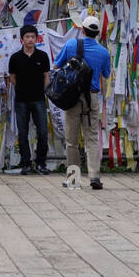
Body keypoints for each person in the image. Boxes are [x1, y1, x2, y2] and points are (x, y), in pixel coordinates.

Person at [54, 13, 111, 189]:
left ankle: (73, 179)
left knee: (71, 140)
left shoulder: (71, 45)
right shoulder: (103, 52)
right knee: (92, 138)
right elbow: (106, 74)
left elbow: (57, 65)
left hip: (72, 97)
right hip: (92, 97)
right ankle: (94, 176)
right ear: (97, 33)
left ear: (83, 30)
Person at [6, 24, 51, 174]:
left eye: (33, 37)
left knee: (43, 132)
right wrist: (21, 88)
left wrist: (43, 90)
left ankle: (41, 163)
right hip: (21, 100)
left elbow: (46, 76)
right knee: (22, 132)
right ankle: (26, 163)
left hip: (38, 99)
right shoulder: (15, 58)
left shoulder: (43, 56)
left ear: (37, 39)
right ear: (22, 39)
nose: (30, 39)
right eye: (27, 37)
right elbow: (12, 78)